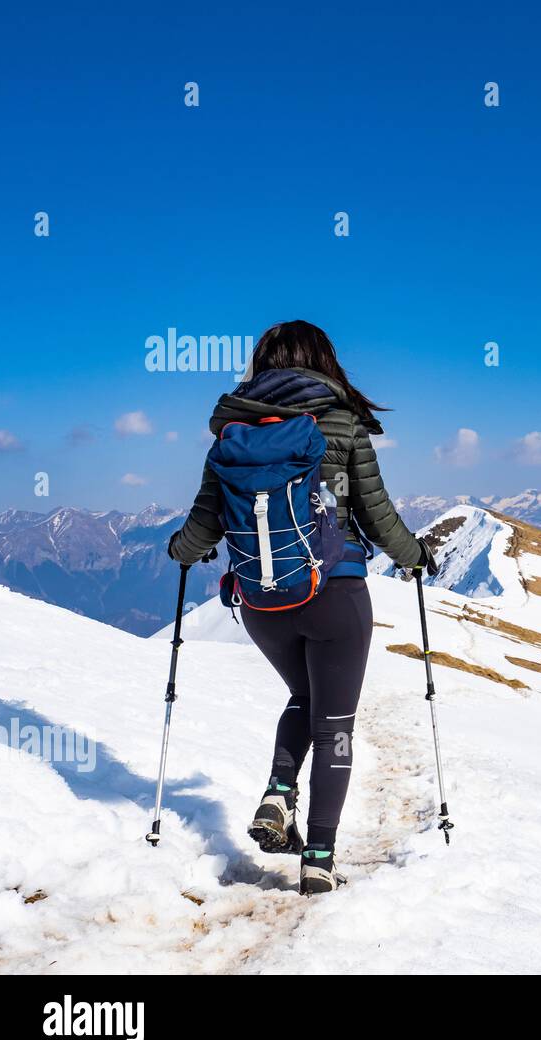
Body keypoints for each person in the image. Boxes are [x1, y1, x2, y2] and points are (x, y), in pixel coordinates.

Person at [167, 320, 434, 894]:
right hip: (334, 592)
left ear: (262, 364)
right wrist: (414, 556)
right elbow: (375, 514)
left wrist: (181, 550)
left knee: (302, 698)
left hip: (263, 600)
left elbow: (200, 529)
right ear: (324, 361)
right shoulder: (342, 424)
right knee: (334, 724)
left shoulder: (233, 434)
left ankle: (279, 793)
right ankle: (317, 858)